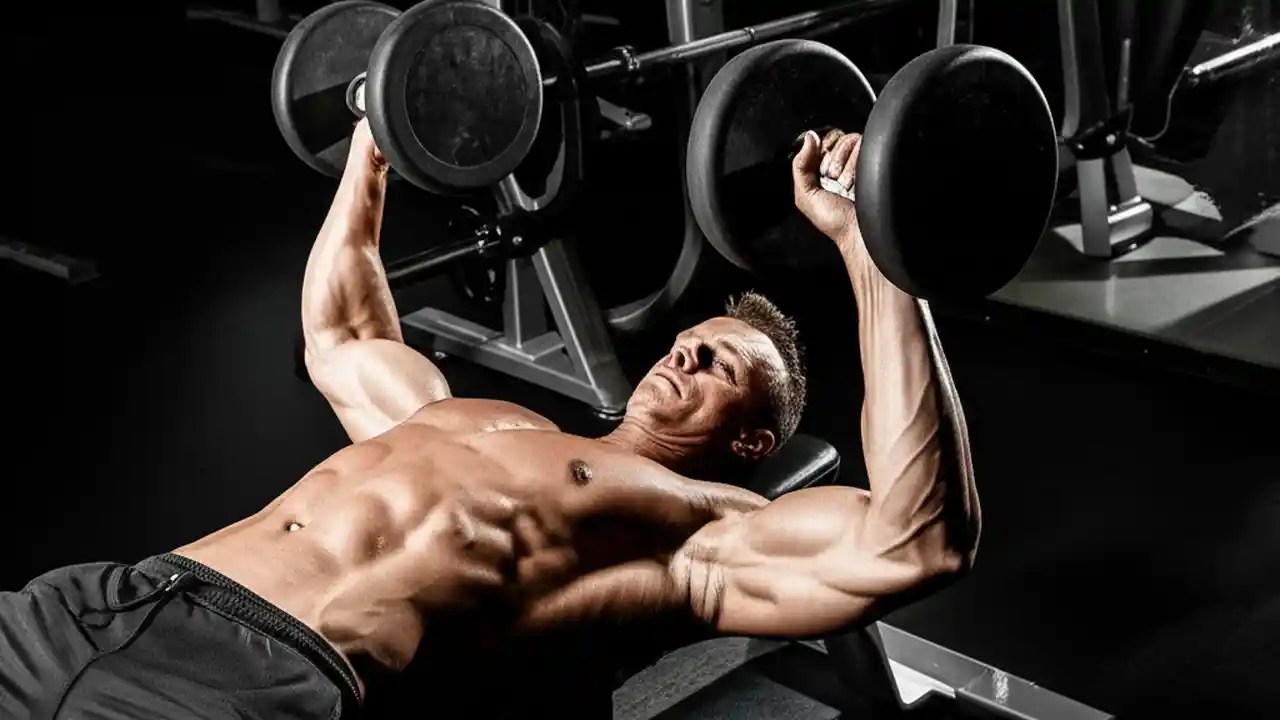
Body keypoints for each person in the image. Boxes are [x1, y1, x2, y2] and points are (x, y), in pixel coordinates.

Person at [0, 120, 979, 719]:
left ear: (752, 441)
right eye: (685, 341)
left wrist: (871, 249)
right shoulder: (476, 414)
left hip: (254, 678)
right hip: (115, 598)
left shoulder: (695, 532)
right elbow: (340, 335)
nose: (682, 353)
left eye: (718, 365)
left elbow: (913, 543)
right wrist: (377, 148)